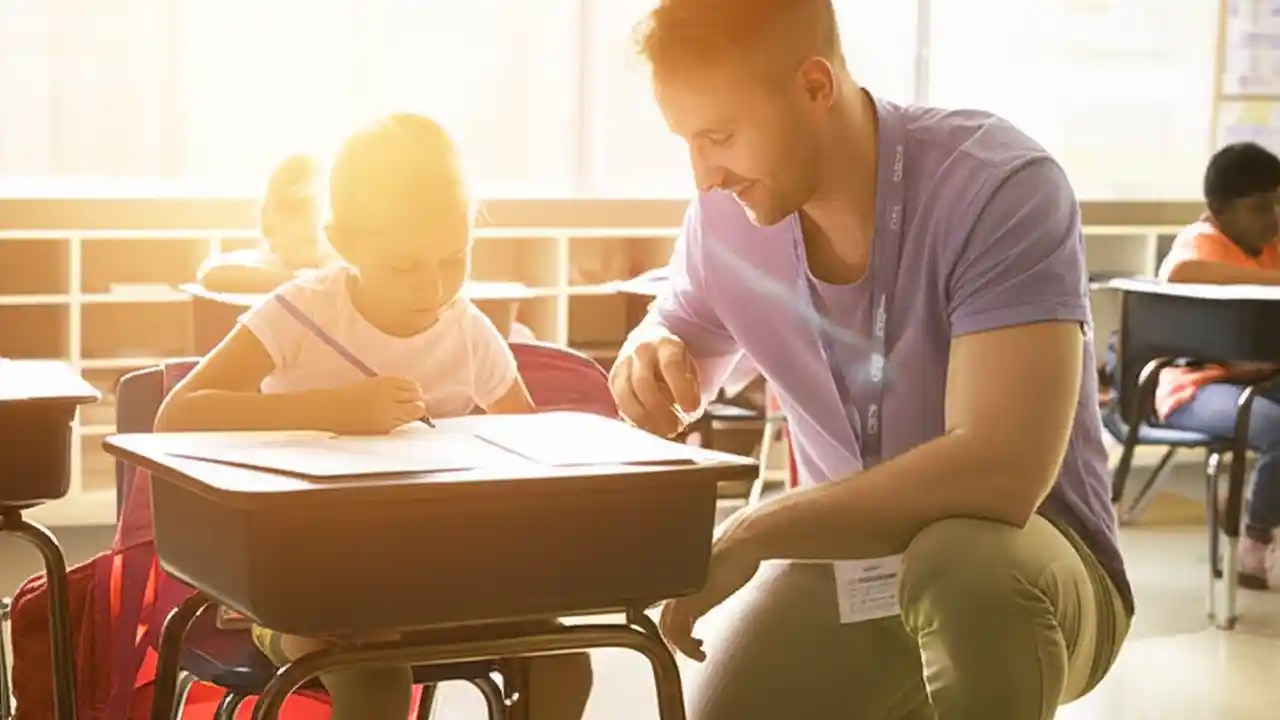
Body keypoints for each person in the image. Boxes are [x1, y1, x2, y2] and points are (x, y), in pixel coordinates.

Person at [609, 1, 1130, 717]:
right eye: (688, 142)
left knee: (964, 569)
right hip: (845, 565)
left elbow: (1000, 473)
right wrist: (649, 347)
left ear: (815, 86)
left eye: (720, 136)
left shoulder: (1000, 186)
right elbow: (679, 319)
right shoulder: (726, 219)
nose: (705, 176)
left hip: (1030, 560)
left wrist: (753, 531)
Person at [155, 114, 593, 720]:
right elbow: (177, 418)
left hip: (441, 579)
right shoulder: (298, 313)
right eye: (404, 266)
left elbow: (529, 448)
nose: (434, 289)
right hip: (302, 586)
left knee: (564, 660)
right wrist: (333, 410)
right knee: (373, 678)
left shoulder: (469, 331)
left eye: (454, 257)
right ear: (345, 243)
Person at [1157, 141, 1280, 589]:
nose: (1274, 218)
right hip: (1196, 387)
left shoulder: (1269, 242)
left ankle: (1261, 506)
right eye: (1261, 207)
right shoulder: (1200, 241)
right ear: (1219, 210)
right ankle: (1255, 541)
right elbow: (1181, 274)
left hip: (1260, 378)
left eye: (1279, 203)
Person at [197, 153, 332, 294]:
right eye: (289, 239)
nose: (303, 254)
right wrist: (295, 280)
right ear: (269, 231)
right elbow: (208, 274)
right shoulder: (267, 263)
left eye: (308, 242)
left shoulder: (336, 269)